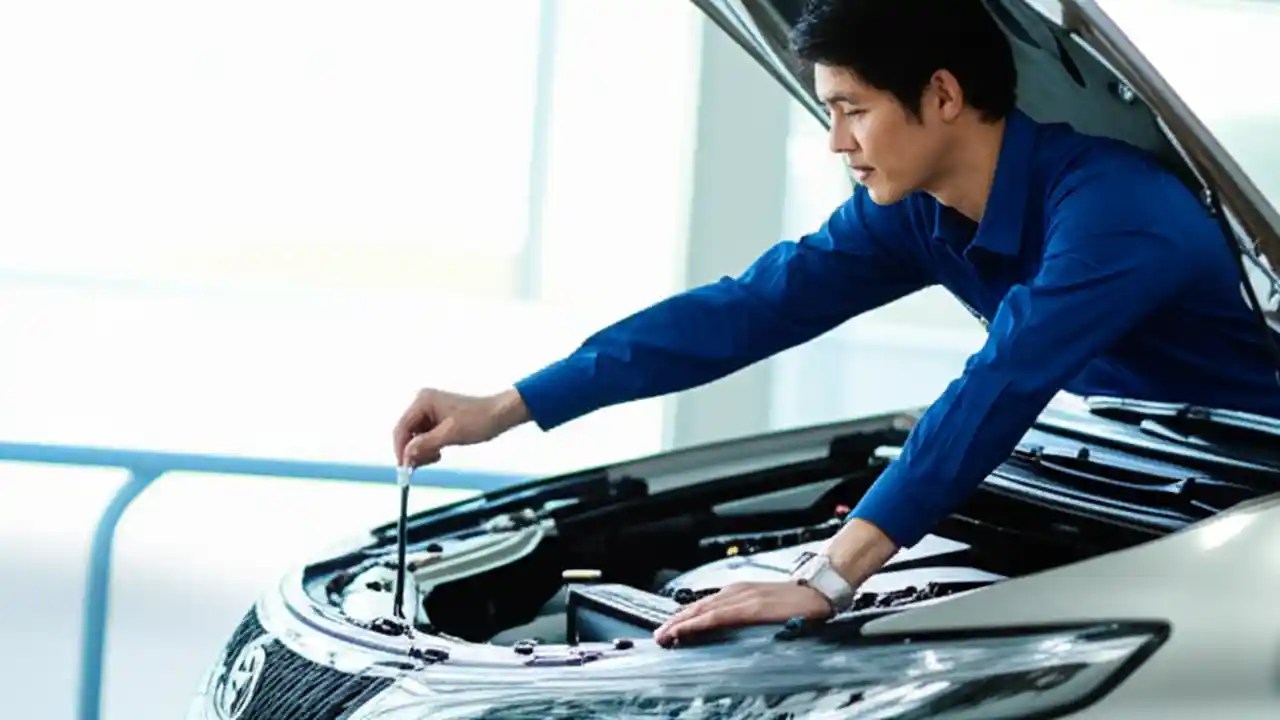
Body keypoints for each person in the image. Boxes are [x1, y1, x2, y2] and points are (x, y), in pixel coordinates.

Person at [391, 0, 1280, 647]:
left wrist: (826, 575)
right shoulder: (916, 209)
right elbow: (742, 311)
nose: (836, 142)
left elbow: (1002, 380)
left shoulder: (1119, 210)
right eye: (829, 112)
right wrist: (504, 407)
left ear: (940, 95)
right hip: (1137, 455)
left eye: (852, 109)